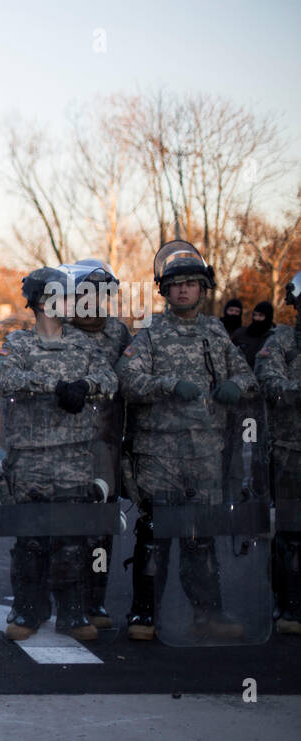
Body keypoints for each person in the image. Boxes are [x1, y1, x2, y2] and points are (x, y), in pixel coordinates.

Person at [116, 240, 257, 641]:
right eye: (175, 284)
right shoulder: (151, 334)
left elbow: (248, 379)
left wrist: (234, 385)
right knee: (155, 534)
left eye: (191, 284)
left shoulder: (215, 332)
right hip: (159, 455)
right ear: (164, 289)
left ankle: (207, 613)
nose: (183, 290)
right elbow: (126, 380)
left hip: (206, 454)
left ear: (202, 289)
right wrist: (166, 385)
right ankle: (144, 614)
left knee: (201, 537)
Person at [0, 267, 118, 641]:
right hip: (29, 459)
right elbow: (1, 375)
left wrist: (84, 385)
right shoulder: (17, 344)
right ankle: (28, 609)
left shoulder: (83, 345)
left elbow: (110, 380)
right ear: (42, 302)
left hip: (73, 458)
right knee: (30, 539)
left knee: (70, 538)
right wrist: (54, 386)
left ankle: (73, 612)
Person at [62, 258, 131, 628]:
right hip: (61, 444)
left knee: (102, 525)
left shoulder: (120, 334)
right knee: (65, 525)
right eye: (85, 291)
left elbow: (132, 382)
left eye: (100, 292)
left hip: (104, 440)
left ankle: (95, 600)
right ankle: (64, 601)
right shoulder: (57, 331)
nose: (93, 298)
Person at [252, 272, 301, 634]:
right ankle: (288, 605)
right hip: (290, 451)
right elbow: (269, 382)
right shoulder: (281, 340)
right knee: (289, 533)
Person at [230, 301, 274, 369]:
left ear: (268, 317)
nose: (256, 318)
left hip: (263, 375)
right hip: (240, 374)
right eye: (255, 315)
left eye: (261, 315)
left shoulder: (273, 337)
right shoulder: (240, 334)